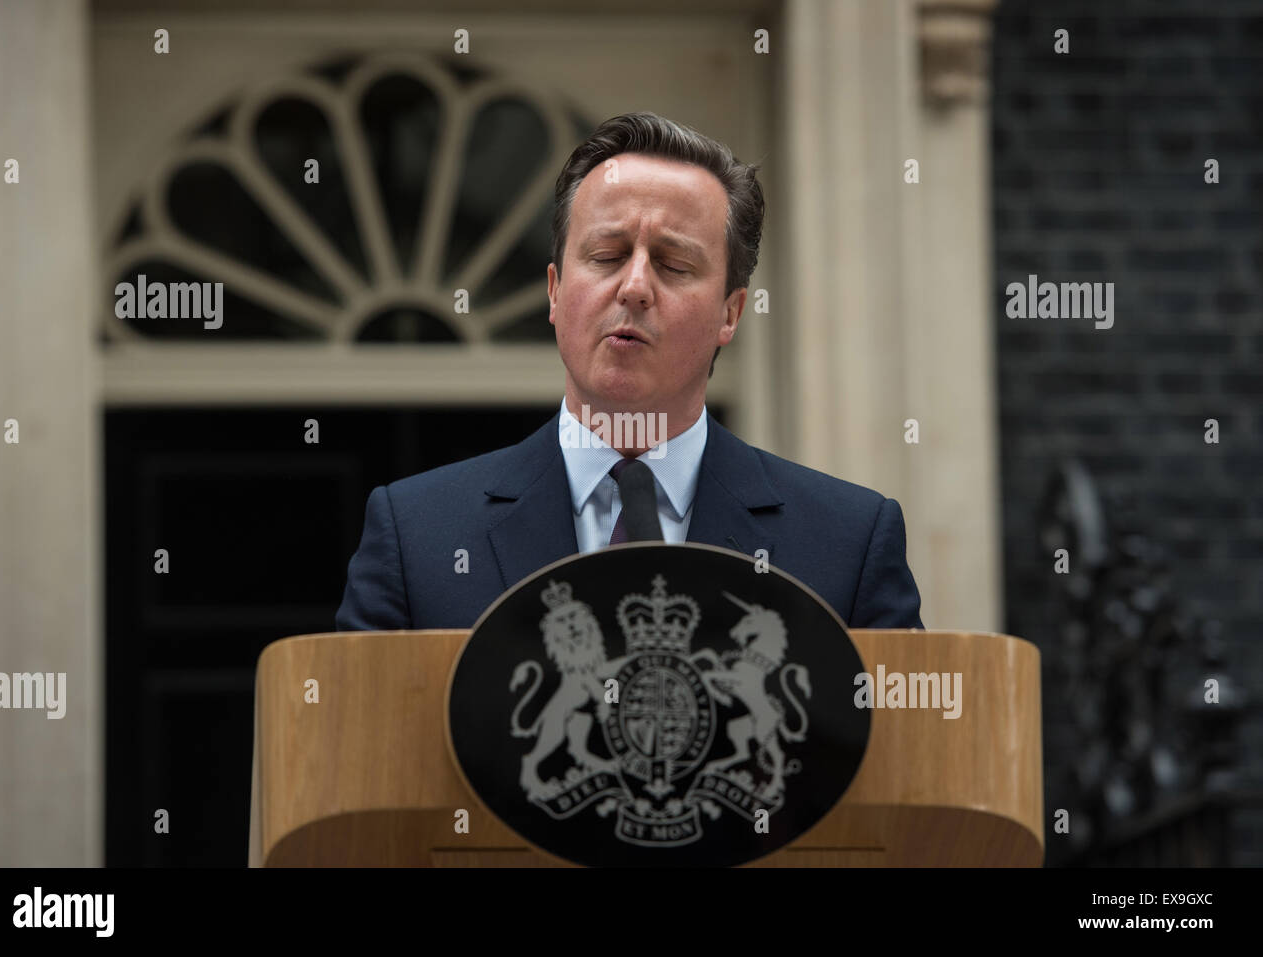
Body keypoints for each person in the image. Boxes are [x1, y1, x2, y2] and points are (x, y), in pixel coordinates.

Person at [336, 112, 923, 631]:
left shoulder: (848, 542)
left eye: (673, 263)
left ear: (730, 313)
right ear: (554, 292)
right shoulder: (417, 537)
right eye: (607, 256)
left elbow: (902, 753)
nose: (636, 287)